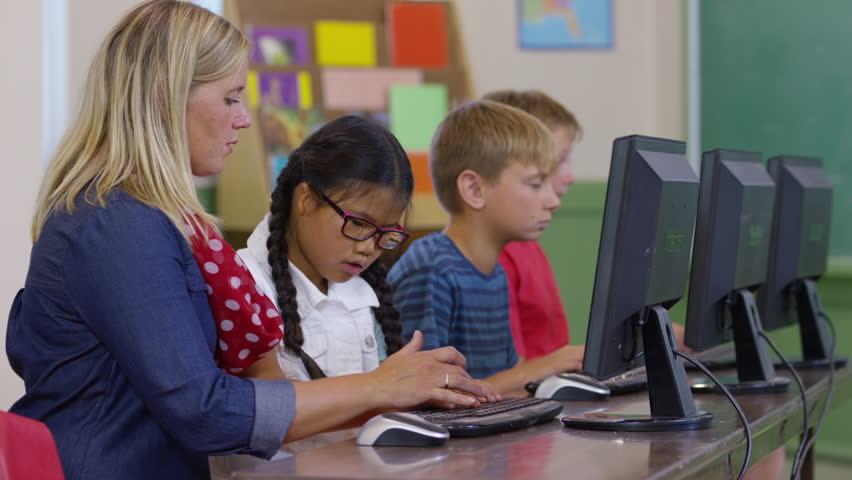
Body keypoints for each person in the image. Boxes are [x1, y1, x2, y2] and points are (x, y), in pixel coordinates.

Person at [5, 2, 490, 479]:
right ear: (164, 95)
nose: (245, 118)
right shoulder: (118, 224)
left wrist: (388, 392)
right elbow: (204, 408)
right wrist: (377, 388)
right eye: (231, 97)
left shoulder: (142, 216)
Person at [209, 115, 499, 478]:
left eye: (386, 234)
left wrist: (420, 395)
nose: (367, 248)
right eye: (358, 224)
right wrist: (384, 388)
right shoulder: (242, 282)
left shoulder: (363, 292)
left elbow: (369, 413)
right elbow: (263, 416)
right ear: (305, 200)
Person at [388, 100, 583, 396]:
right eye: (535, 184)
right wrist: (549, 365)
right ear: (474, 190)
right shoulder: (432, 268)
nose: (553, 200)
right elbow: (425, 393)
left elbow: (504, 384)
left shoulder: (495, 275)